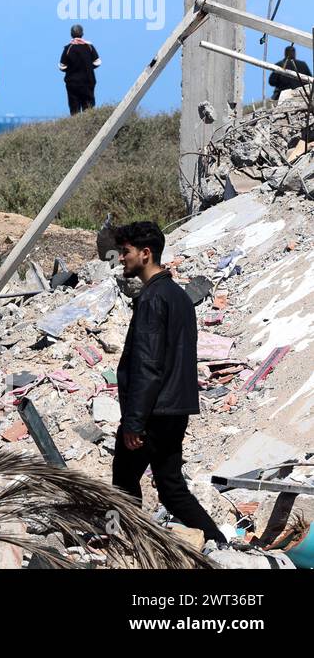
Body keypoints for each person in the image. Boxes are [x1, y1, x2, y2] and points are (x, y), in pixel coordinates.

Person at [111, 221, 228, 545]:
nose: (121, 259)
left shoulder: (151, 299)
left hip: (153, 412)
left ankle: (128, 543)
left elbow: (148, 366)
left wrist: (134, 422)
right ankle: (219, 543)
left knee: (123, 480)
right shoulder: (178, 296)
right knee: (171, 486)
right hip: (176, 409)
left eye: (126, 252)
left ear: (145, 254)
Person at [59, 23, 101, 115]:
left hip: (73, 83)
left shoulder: (68, 48)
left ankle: (76, 127)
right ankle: (88, 126)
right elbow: (97, 62)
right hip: (88, 81)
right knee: (88, 108)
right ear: (82, 34)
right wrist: (88, 67)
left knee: (74, 109)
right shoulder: (89, 47)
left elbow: (62, 67)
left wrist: (71, 69)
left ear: (71, 34)